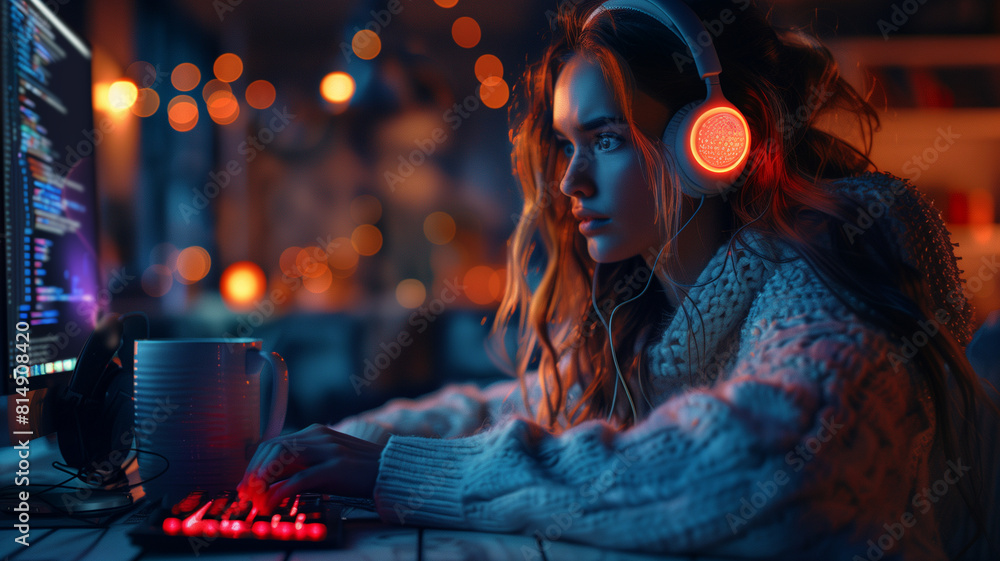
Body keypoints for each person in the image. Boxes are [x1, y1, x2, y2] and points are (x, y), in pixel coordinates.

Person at [238, 0, 999, 557]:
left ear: (711, 142)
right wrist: (343, 445)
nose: (570, 181)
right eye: (568, 143)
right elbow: (519, 402)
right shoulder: (653, 314)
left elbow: (765, 463)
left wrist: (393, 468)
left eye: (605, 138)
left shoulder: (825, 273)